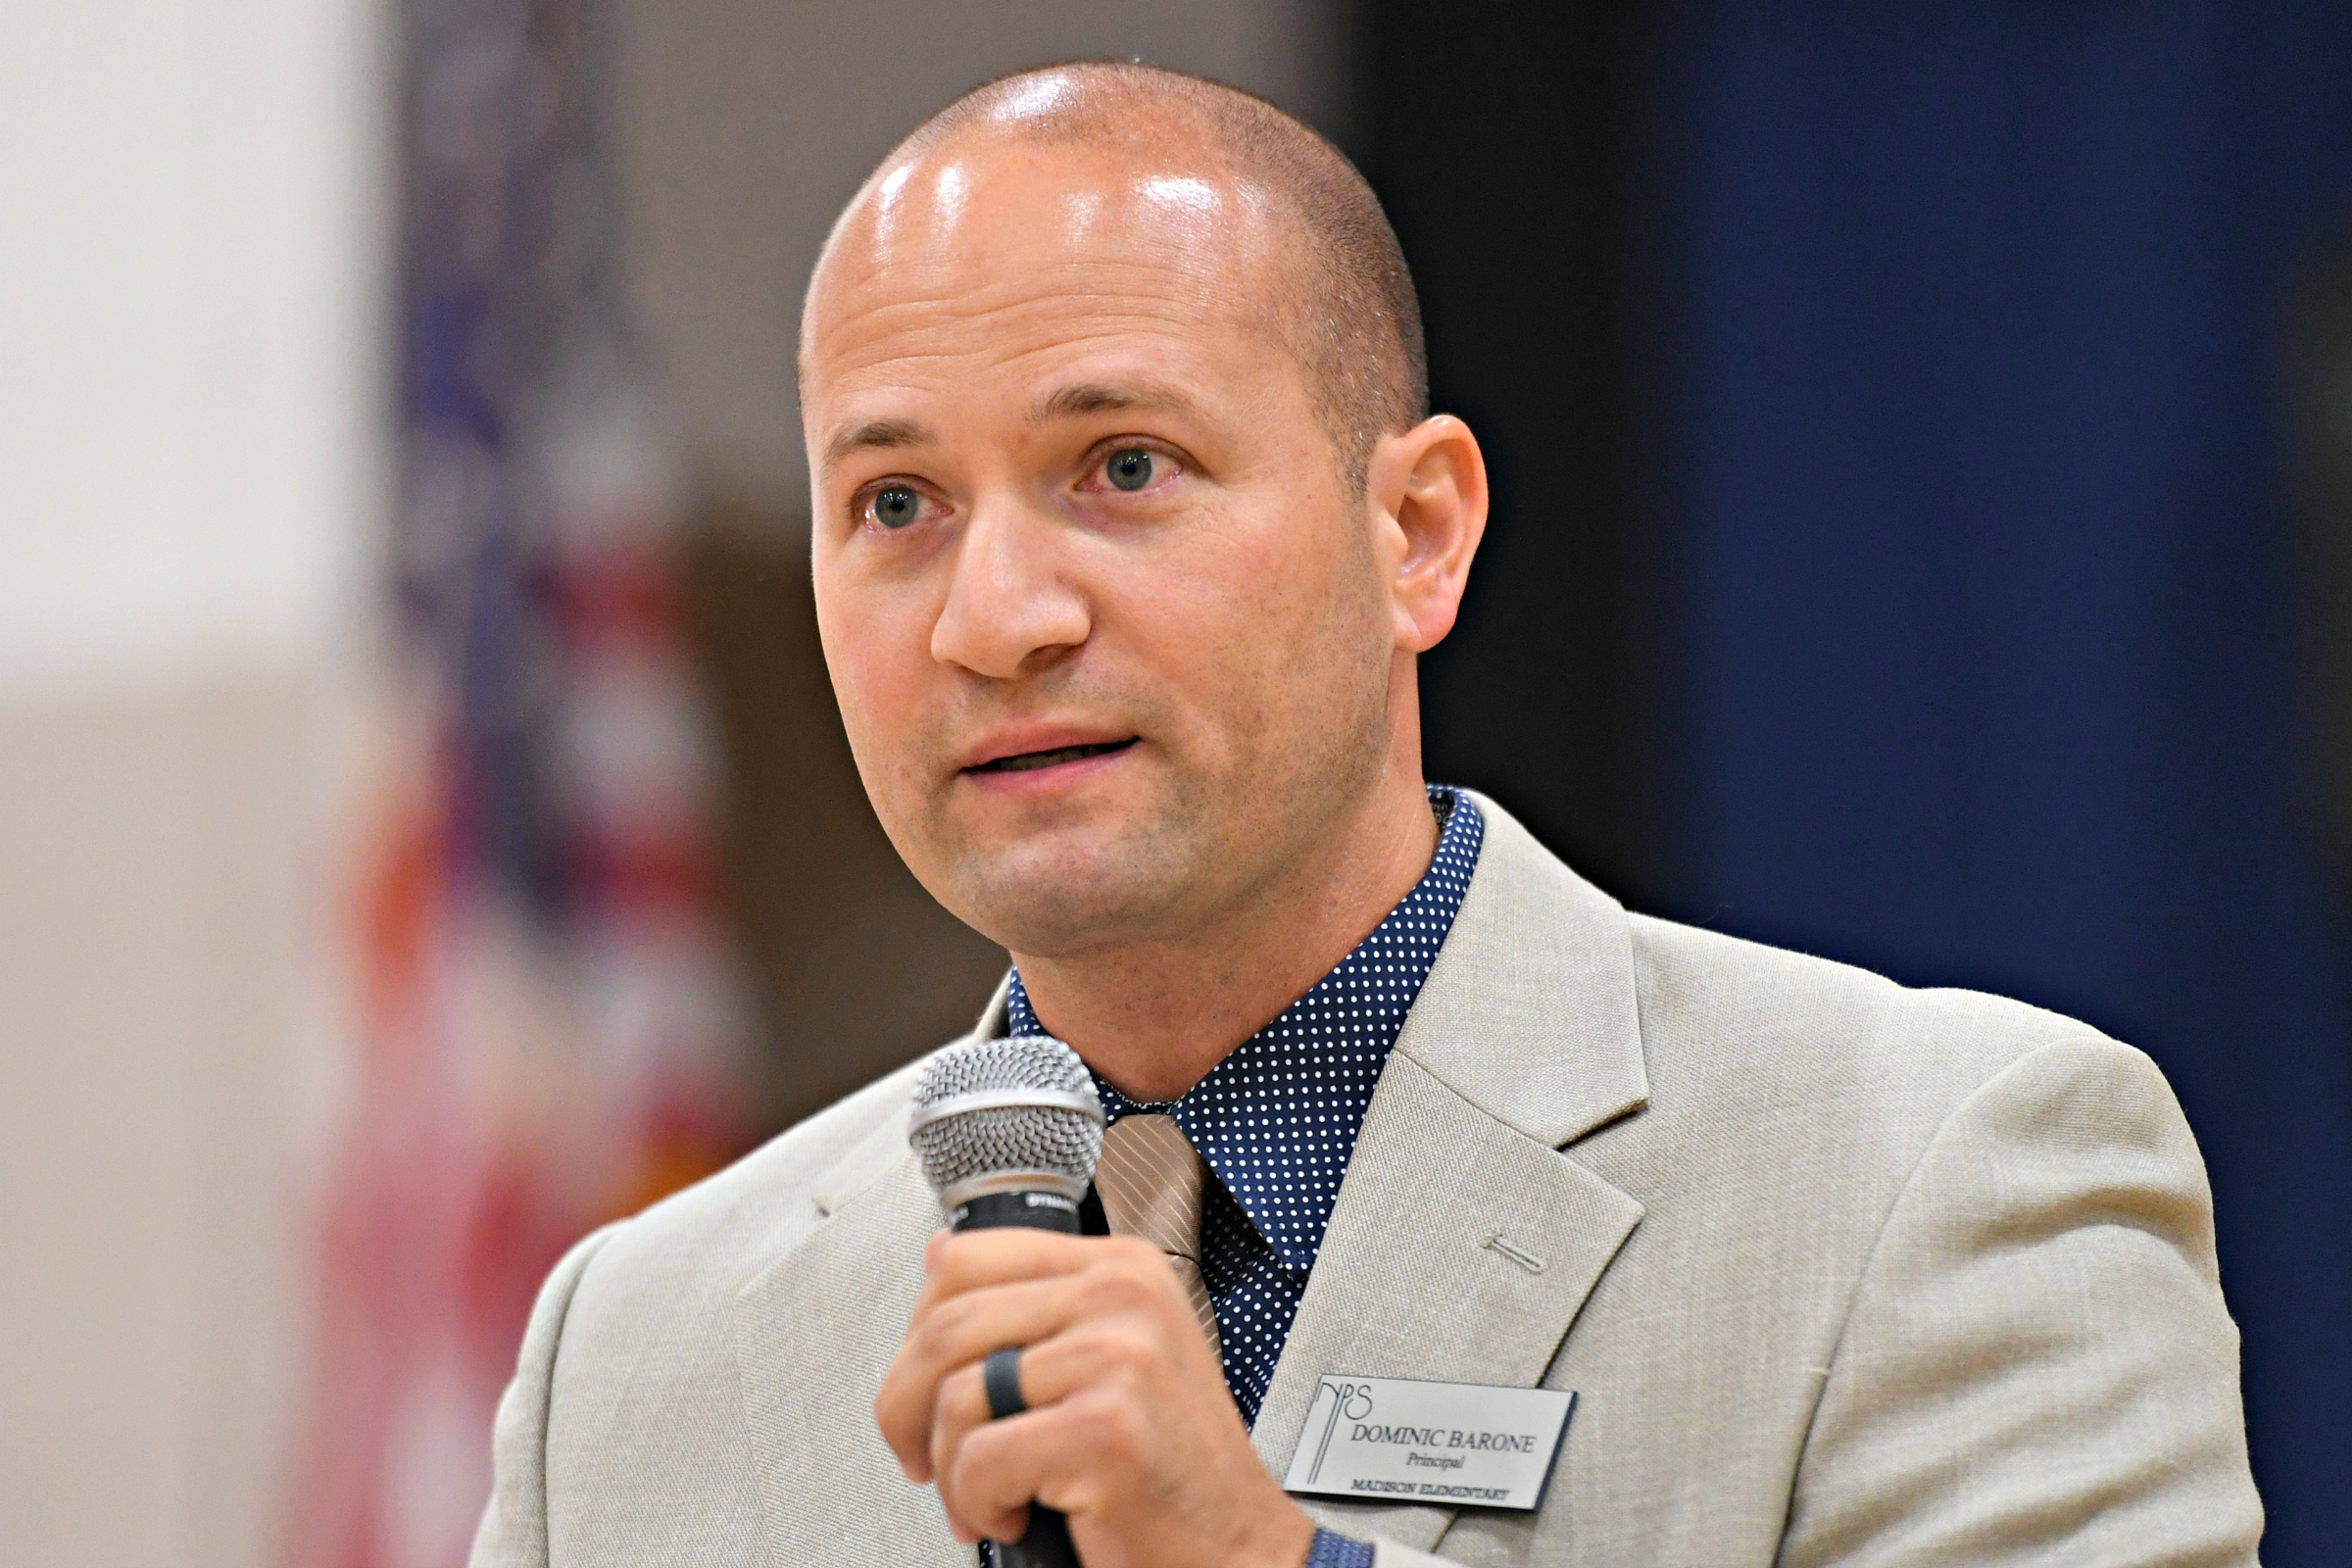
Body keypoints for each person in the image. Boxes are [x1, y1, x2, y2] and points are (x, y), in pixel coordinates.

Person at [471, 62, 2263, 1568]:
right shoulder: (630, 1358)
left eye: (1125, 468)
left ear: (1418, 533)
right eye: (894, 505)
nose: (994, 619)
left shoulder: (1948, 1177)